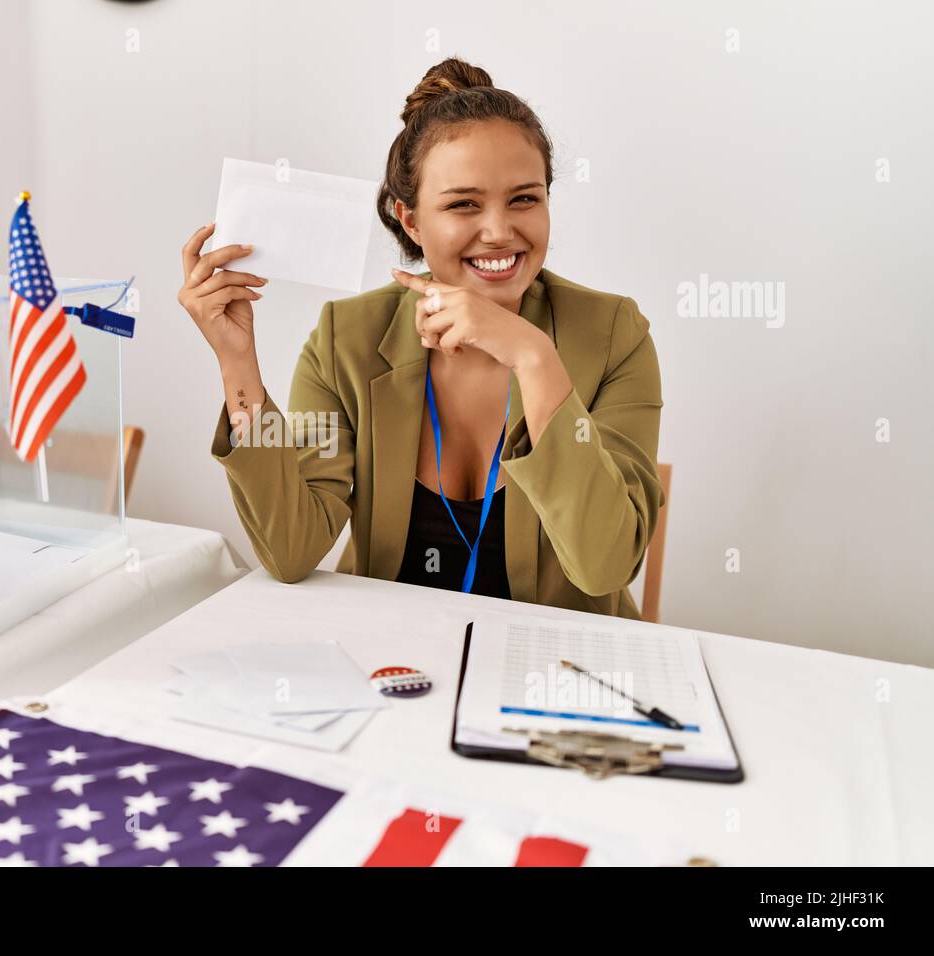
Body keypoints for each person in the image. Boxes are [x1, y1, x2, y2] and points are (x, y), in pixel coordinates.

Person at [177, 57, 665, 620]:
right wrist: (237, 364)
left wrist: (533, 356)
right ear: (410, 220)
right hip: (394, 671)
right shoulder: (346, 340)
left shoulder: (612, 335)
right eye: (463, 204)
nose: (500, 230)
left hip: (553, 679)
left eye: (525, 198)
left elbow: (604, 564)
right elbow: (291, 550)